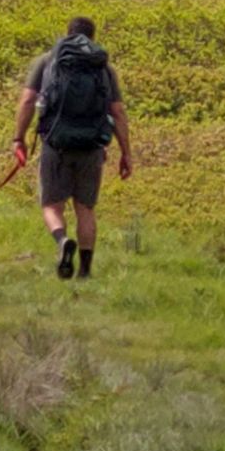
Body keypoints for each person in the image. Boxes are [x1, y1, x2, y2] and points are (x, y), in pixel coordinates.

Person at [11, 15, 132, 281]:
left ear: (67, 34)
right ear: (93, 38)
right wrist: (126, 153)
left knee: (52, 205)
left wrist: (18, 138)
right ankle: (85, 271)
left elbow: (28, 101)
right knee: (85, 208)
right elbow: (118, 112)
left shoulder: (47, 61)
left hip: (56, 144)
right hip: (91, 147)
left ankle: (63, 241)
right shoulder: (103, 68)